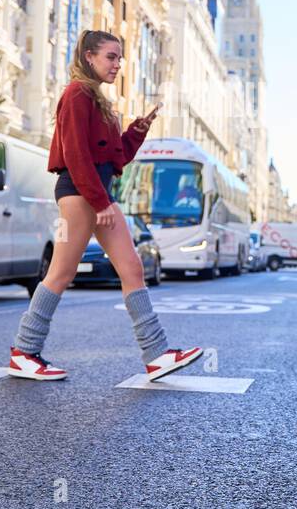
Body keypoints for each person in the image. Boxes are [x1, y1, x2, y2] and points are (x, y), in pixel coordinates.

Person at [10, 29, 202, 381]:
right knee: (62, 273)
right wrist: (99, 202)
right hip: (80, 193)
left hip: (97, 191)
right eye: (111, 56)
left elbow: (117, 159)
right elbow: (76, 155)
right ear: (90, 57)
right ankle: (24, 351)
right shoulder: (76, 94)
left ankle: (157, 354)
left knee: (132, 269)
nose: (118, 64)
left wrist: (137, 131)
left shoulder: (98, 100)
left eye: (119, 57)